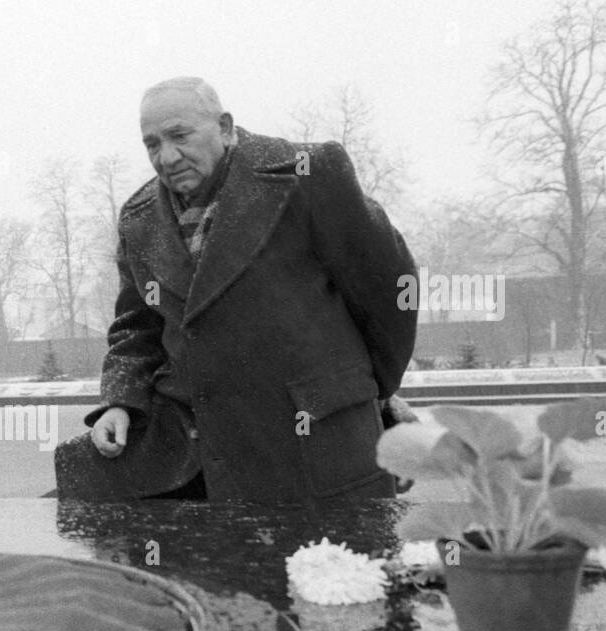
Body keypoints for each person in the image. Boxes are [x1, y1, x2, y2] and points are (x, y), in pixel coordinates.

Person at [54, 77, 418, 506]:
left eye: (179, 136)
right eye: (151, 144)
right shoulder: (138, 219)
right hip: (203, 453)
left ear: (225, 127)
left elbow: (391, 287)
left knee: (334, 570)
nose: (166, 157)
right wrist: (121, 403)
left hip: (316, 446)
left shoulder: (305, 173)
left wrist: (366, 391)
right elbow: (138, 327)